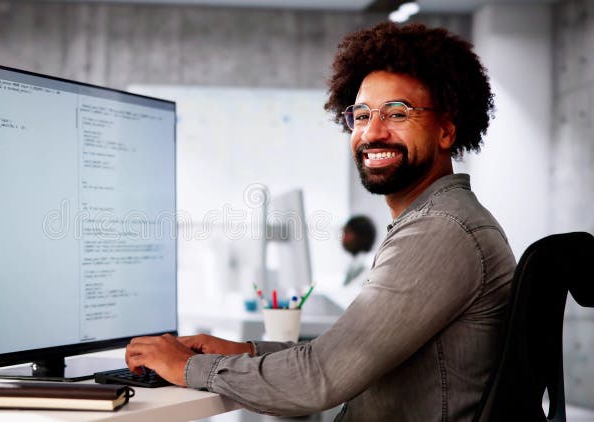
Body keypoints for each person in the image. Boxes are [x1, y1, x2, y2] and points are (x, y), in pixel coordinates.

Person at [125, 22, 515, 420]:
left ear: (446, 129)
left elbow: (319, 379)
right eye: (361, 116)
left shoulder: (441, 231)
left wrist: (187, 367)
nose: (372, 132)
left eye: (397, 113)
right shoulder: (438, 221)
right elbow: (338, 355)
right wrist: (246, 352)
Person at [341, 215, 376, 287]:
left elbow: (351, 294)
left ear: (360, 236)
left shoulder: (365, 264)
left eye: (346, 232)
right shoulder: (358, 262)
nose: (343, 237)